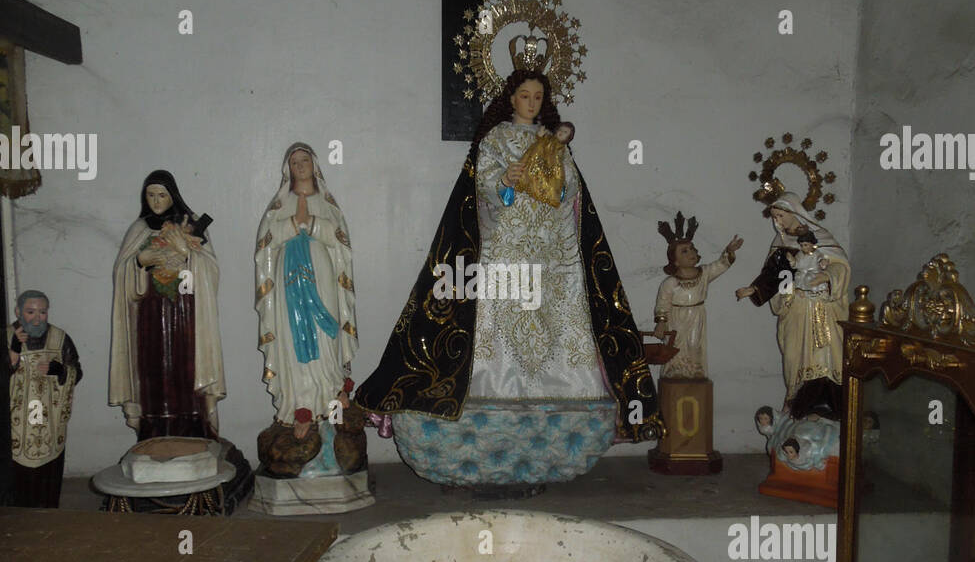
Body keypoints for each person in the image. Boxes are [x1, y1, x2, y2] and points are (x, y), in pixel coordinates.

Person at [356, 70, 660, 439]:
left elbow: (572, 192)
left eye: (538, 97)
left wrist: (558, 186)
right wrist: (505, 182)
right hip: (507, 245)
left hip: (550, 247)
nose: (531, 103)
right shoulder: (496, 139)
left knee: (558, 314)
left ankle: (565, 394)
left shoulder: (553, 140)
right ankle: (493, 393)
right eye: (524, 96)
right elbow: (481, 187)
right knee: (501, 314)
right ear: (511, 99)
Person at [255, 144, 356, 450]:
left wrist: (311, 225)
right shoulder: (278, 205)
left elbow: (341, 245)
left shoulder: (327, 205)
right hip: (288, 281)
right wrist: (290, 226)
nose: (300, 166)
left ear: (314, 165)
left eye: (304, 160)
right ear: (288, 169)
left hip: (322, 278)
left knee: (327, 336)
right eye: (294, 162)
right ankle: (300, 407)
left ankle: (331, 401)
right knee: (291, 338)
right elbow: (265, 248)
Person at [110, 170, 224, 438]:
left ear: (173, 195)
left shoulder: (190, 223)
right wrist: (140, 261)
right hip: (149, 311)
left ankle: (194, 429)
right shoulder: (139, 229)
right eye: (150, 195)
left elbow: (212, 269)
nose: (156, 201)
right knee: (153, 364)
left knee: (186, 362)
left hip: (186, 308)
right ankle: (155, 432)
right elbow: (121, 274)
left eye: (162, 195)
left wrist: (186, 253)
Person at [736, 193, 850, 420]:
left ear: (794, 212)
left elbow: (842, 267)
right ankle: (798, 407)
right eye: (775, 216)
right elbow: (776, 276)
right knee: (794, 356)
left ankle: (829, 412)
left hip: (822, 308)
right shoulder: (781, 244)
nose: (778, 220)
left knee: (827, 355)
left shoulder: (822, 238)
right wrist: (756, 290)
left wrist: (827, 276)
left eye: (781, 215)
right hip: (796, 309)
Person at [5, 289, 82, 506]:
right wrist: (12, 355)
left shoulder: (60, 338)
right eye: (30, 312)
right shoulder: (6, 336)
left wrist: (59, 370)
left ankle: (48, 513)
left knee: (47, 479)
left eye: (43, 312)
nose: (37, 318)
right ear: (18, 311)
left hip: (48, 420)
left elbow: (76, 370)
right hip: (15, 423)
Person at [653, 217, 743, 379]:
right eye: (684, 251)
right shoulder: (670, 282)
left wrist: (729, 251)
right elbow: (663, 303)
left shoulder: (704, 273)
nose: (691, 253)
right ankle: (675, 373)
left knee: (694, 345)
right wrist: (661, 322)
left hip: (696, 316)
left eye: (692, 248)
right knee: (674, 347)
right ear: (675, 261)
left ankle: (694, 372)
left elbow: (721, 265)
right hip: (676, 318)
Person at [515, 121, 575, 208]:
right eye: (560, 130)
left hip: (553, 166)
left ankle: (546, 194)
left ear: (569, 137)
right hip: (540, 160)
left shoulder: (562, 148)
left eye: (565, 132)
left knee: (552, 182)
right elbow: (541, 139)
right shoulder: (549, 138)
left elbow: (559, 158)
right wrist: (540, 134)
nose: (561, 132)